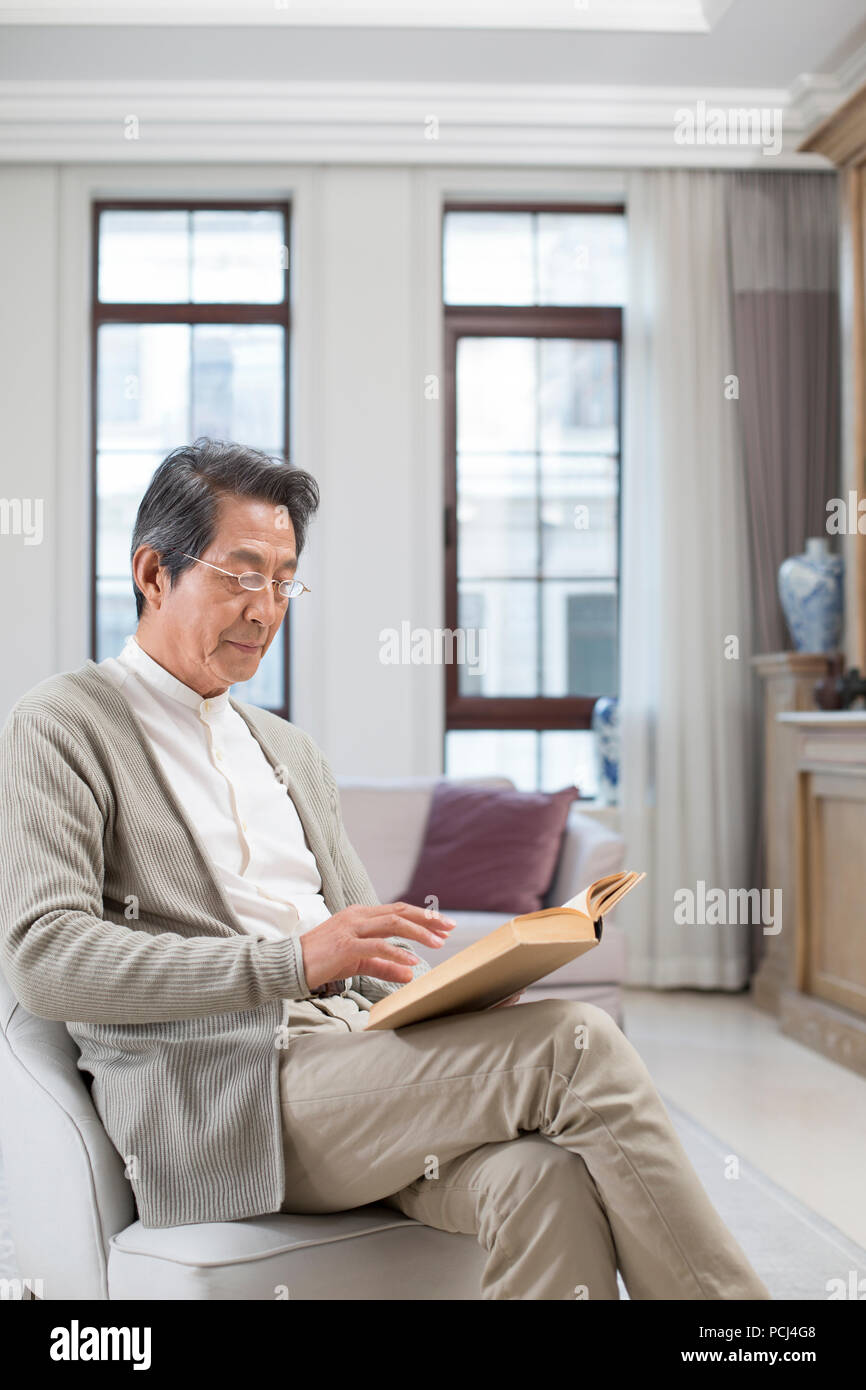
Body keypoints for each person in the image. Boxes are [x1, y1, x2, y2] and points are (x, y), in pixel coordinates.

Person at [0, 437, 771, 1301]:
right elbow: (45, 954)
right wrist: (291, 963)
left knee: (539, 1177)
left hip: (353, 1076)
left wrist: (465, 999)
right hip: (225, 1104)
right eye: (242, 573)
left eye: (285, 579)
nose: (267, 607)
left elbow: (371, 964)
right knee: (577, 1042)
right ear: (153, 573)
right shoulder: (64, 725)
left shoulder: (286, 748)